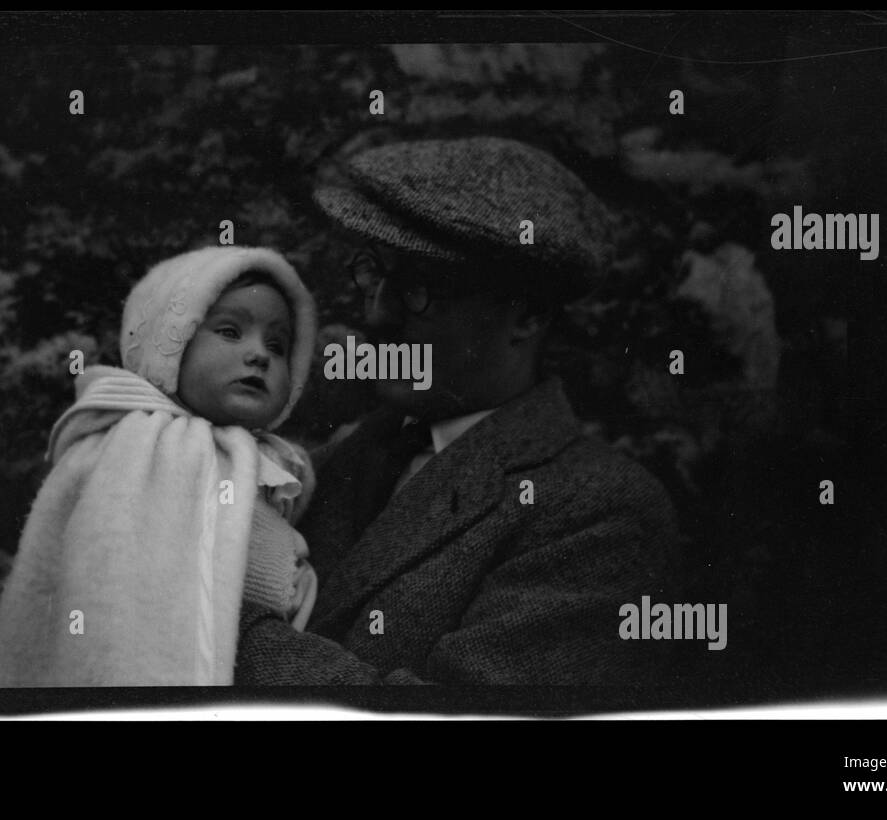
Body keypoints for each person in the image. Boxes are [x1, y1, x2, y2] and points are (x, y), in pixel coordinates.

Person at [234, 137, 682, 687]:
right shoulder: (337, 459)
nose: (376, 314)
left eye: (421, 289)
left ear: (528, 315)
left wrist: (222, 623)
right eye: (376, 275)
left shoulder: (602, 511)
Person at [0, 245, 318, 686]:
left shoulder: (269, 458)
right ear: (172, 341)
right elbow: (124, 561)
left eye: (277, 346)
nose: (259, 354)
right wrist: (284, 581)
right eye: (230, 332)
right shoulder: (140, 445)